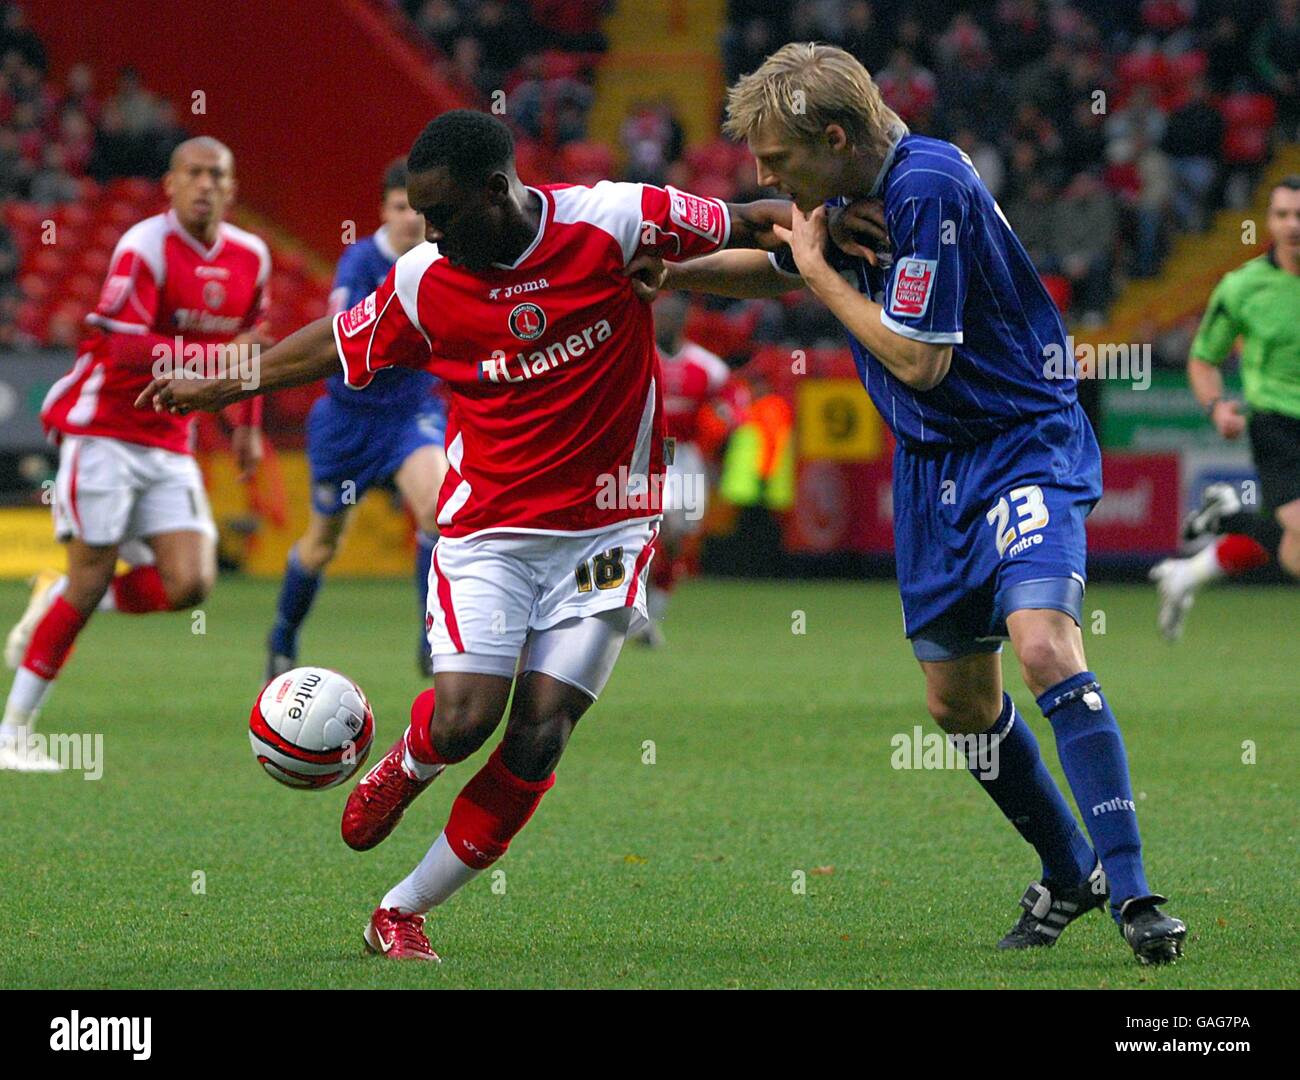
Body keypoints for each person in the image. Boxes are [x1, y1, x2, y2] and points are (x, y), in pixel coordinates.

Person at [136, 109, 792, 960]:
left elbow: (748, 222)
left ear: (498, 191)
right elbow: (335, 346)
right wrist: (225, 382)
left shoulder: (614, 218)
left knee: (541, 730)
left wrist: (834, 237)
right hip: (491, 530)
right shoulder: (423, 279)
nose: (432, 233)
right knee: (465, 720)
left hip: (610, 528)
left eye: (444, 215)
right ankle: (412, 760)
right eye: (421, 215)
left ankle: (399, 913)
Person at [658, 43, 1186, 964]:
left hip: (1020, 442)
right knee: (957, 705)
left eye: (777, 159)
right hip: (933, 468)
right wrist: (662, 276)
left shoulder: (929, 182)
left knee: (1044, 644)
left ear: (833, 136)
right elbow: (780, 262)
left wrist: (820, 275)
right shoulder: (852, 194)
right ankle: (1070, 870)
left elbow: (918, 358)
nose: (764, 176)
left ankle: (1135, 891)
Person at [2, 138, 269, 771]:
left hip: (170, 439)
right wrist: (221, 361)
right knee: (93, 575)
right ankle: (13, 730)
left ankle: (57, 596)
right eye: (194, 173)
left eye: (217, 175)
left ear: (231, 189)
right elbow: (124, 350)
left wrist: (247, 427)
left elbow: (254, 352)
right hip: (105, 428)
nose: (205, 184)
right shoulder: (144, 245)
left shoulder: (251, 256)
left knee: (191, 583)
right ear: (172, 184)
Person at [266, 160, 448, 678]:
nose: (410, 218)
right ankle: (282, 636)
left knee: (438, 510)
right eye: (399, 207)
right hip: (348, 421)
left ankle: (433, 636)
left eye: (417, 207)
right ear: (382, 211)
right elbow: (345, 335)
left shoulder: (441, 260)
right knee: (322, 545)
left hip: (410, 415)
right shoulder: (360, 261)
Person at [1149, 177, 1300, 638]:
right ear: (1269, 222)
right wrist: (1216, 406)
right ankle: (1228, 518)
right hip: (1278, 426)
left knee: (1291, 549)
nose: (1293, 224)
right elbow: (1203, 359)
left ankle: (1219, 529)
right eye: (1282, 215)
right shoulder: (1242, 287)